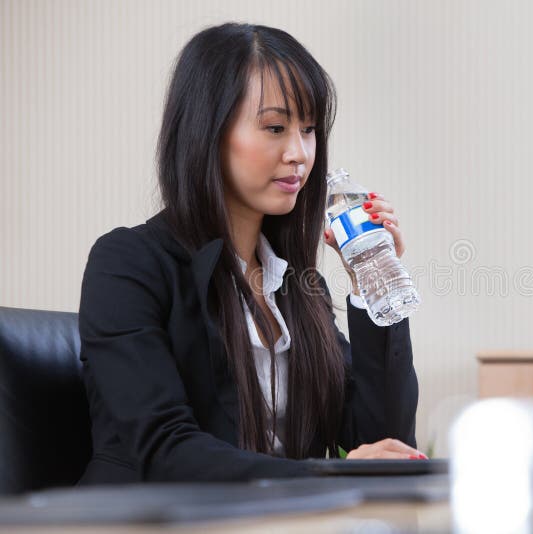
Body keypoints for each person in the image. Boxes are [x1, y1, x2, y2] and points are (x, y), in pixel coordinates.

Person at [77, 23, 422, 484]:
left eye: (309, 129)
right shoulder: (128, 263)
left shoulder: (295, 285)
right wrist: (321, 478)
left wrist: (373, 285)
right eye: (276, 128)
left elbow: (385, 441)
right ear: (209, 133)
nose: (299, 153)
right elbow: (165, 449)